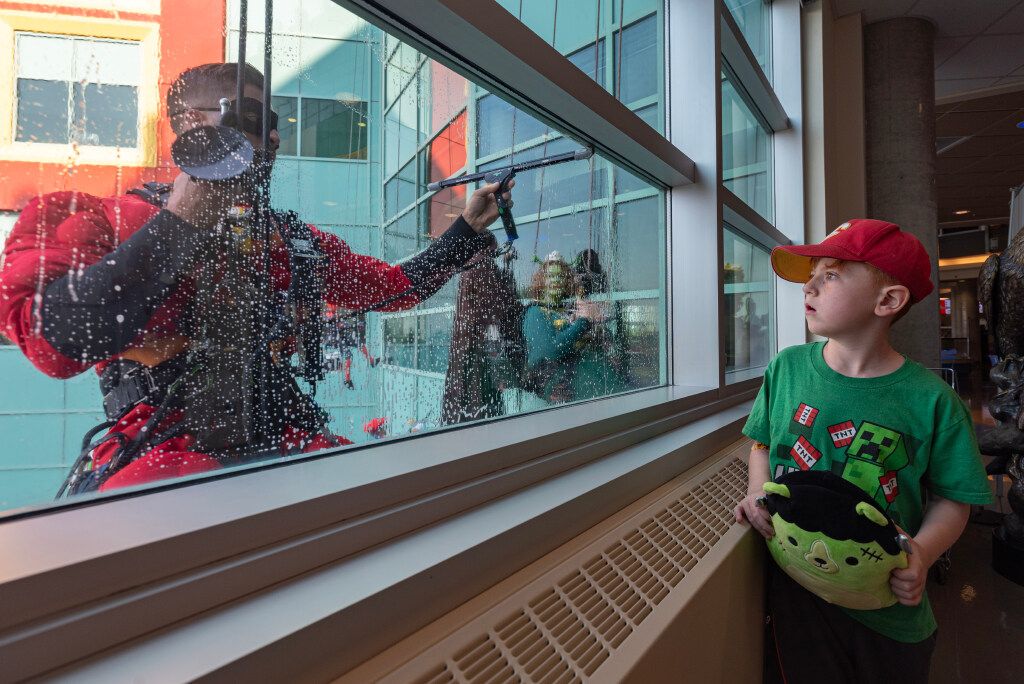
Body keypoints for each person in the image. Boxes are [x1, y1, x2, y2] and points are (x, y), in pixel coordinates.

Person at [0, 62, 510, 494]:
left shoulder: (291, 243)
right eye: (252, 118)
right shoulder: (98, 219)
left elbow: (394, 289)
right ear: (188, 127)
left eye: (273, 122)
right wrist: (183, 220)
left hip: (285, 446)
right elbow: (53, 343)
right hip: (164, 462)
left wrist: (465, 228)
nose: (272, 136)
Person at [733, 219, 993, 683]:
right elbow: (762, 443)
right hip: (795, 594)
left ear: (888, 300)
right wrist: (756, 492)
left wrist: (923, 553)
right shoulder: (786, 368)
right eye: (813, 272)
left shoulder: (933, 401)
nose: (809, 284)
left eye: (830, 274)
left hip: (886, 612)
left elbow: (953, 498)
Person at [519, 251, 624, 408]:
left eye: (560, 276)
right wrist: (584, 321)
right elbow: (551, 349)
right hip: (554, 387)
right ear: (541, 280)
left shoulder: (564, 310)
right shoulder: (535, 312)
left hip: (576, 382)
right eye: (550, 276)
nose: (555, 281)